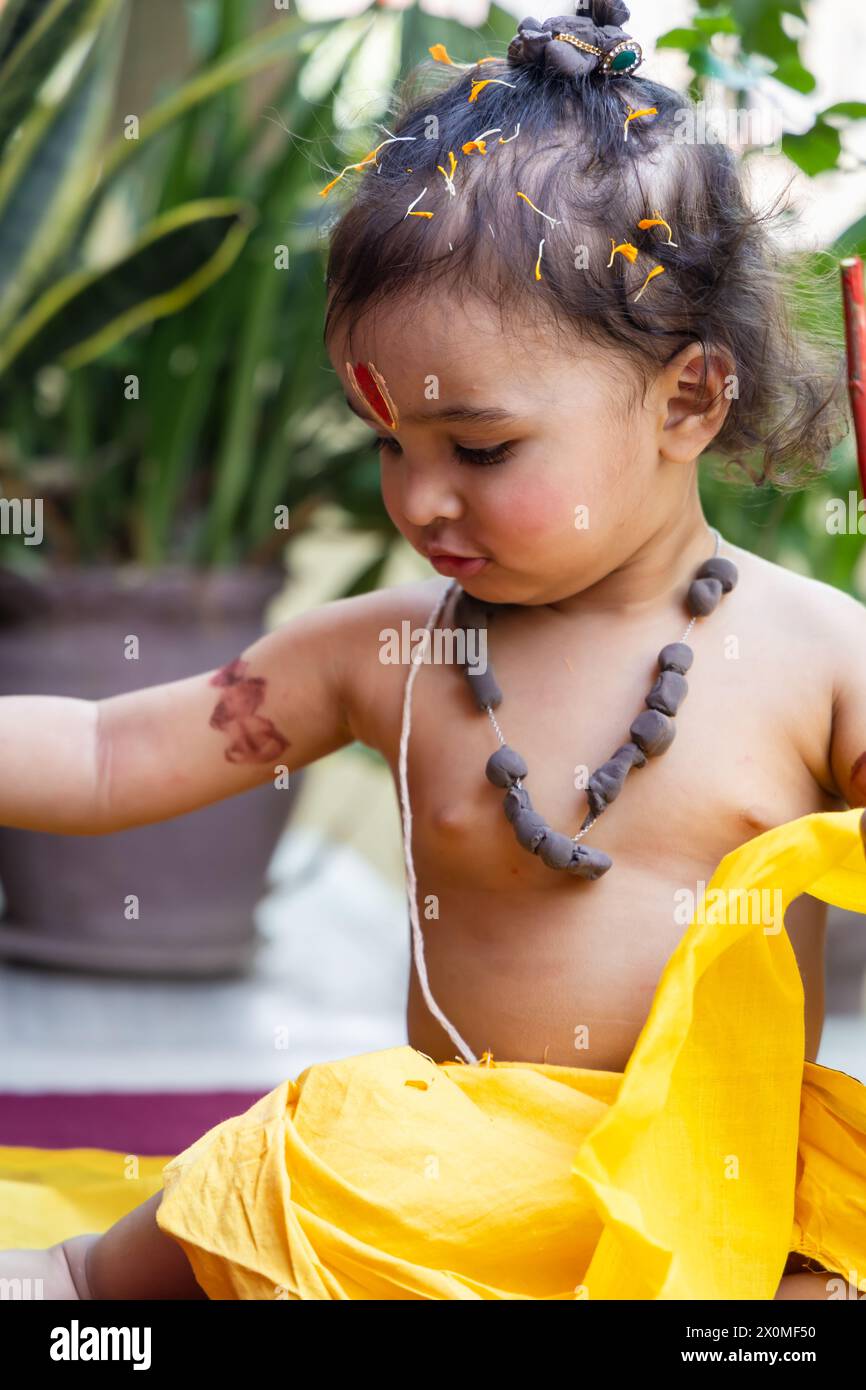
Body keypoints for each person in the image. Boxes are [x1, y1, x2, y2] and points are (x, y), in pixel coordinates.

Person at [2, 1, 866, 1300]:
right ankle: (76, 1284)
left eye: (476, 448)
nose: (419, 500)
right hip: (452, 1194)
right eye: (388, 445)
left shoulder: (815, 655)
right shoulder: (391, 653)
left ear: (687, 396)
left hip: (715, 1202)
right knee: (311, 1150)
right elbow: (114, 750)